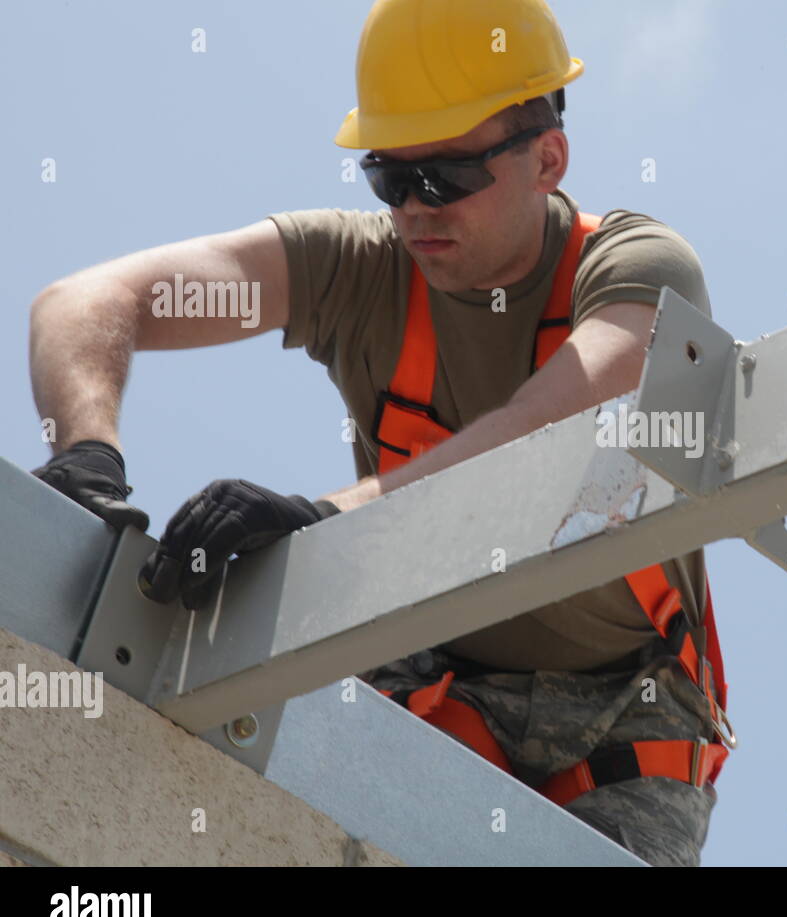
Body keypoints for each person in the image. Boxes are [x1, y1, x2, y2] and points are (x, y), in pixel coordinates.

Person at [27, 0, 734, 866]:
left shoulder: (635, 267)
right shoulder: (359, 273)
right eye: (389, 179)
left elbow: (545, 435)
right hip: (431, 682)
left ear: (547, 158)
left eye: (445, 178)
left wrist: (324, 521)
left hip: (626, 727)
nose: (415, 210)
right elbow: (86, 304)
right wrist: (85, 454)